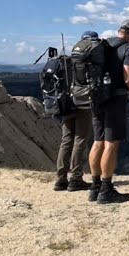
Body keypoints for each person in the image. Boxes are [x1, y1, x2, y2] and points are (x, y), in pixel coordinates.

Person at [86, 18, 129, 203]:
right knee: (111, 143)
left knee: (97, 141)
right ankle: (106, 190)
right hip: (114, 99)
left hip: (95, 98)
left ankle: (94, 188)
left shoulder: (103, 44)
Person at [53, 32, 96, 192]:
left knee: (66, 140)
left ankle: (60, 179)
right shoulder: (88, 64)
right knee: (80, 139)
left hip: (65, 104)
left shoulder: (67, 62)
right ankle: (76, 178)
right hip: (82, 104)